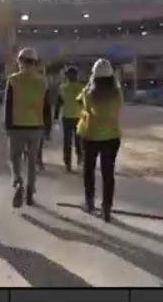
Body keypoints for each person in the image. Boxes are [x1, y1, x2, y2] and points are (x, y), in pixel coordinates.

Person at [5, 48, 52, 207]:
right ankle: (30, 190)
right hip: (36, 126)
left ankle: (18, 183)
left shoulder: (13, 80)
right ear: (35, 62)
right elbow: (47, 107)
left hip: (16, 126)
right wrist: (48, 128)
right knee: (32, 162)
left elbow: (8, 105)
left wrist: (7, 126)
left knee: (15, 158)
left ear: (20, 61)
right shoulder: (43, 81)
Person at [78, 59, 123, 222]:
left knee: (89, 170)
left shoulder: (89, 94)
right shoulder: (118, 93)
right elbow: (119, 108)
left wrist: (89, 84)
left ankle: (89, 203)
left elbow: (85, 108)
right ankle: (106, 208)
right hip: (111, 137)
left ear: (94, 77)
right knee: (108, 173)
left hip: (91, 136)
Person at [54, 65, 84, 172]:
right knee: (79, 141)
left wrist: (55, 117)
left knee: (67, 142)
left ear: (67, 76)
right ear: (76, 76)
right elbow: (84, 103)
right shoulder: (81, 88)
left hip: (66, 118)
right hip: (79, 118)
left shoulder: (63, 87)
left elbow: (59, 103)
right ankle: (80, 158)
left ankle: (68, 163)